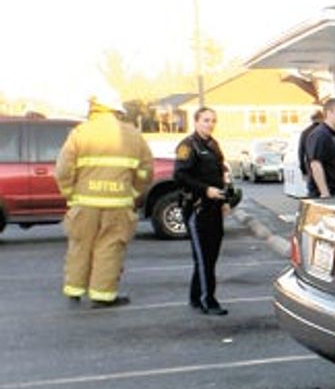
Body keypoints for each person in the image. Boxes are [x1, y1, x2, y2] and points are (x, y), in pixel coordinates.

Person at [55, 93, 154, 308]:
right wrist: (133, 193)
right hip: (118, 205)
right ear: (117, 111)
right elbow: (146, 171)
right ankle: (102, 295)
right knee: (109, 248)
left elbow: (63, 170)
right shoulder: (133, 135)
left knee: (79, 245)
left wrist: (71, 194)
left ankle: (75, 289)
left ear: (94, 109)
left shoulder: (80, 133)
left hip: (84, 204)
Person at [174, 106, 234, 316]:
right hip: (197, 208)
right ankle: (208, 299)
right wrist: (205, 190)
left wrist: (225, 200)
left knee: (211, 256)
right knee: (203, 257)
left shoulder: (213, 144)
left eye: (213, 120)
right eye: (206, 120)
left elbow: (220, 174)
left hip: (214, 208)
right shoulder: (187, 146)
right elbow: (180, 176)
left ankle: (195, 297)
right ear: (196, 121)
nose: (210, 124)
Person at [305, 98, 335, 198]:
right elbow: (315, 164)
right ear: (329, 113)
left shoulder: (334, 135)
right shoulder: (320, 135)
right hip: (327, 195)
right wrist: (324, 193)